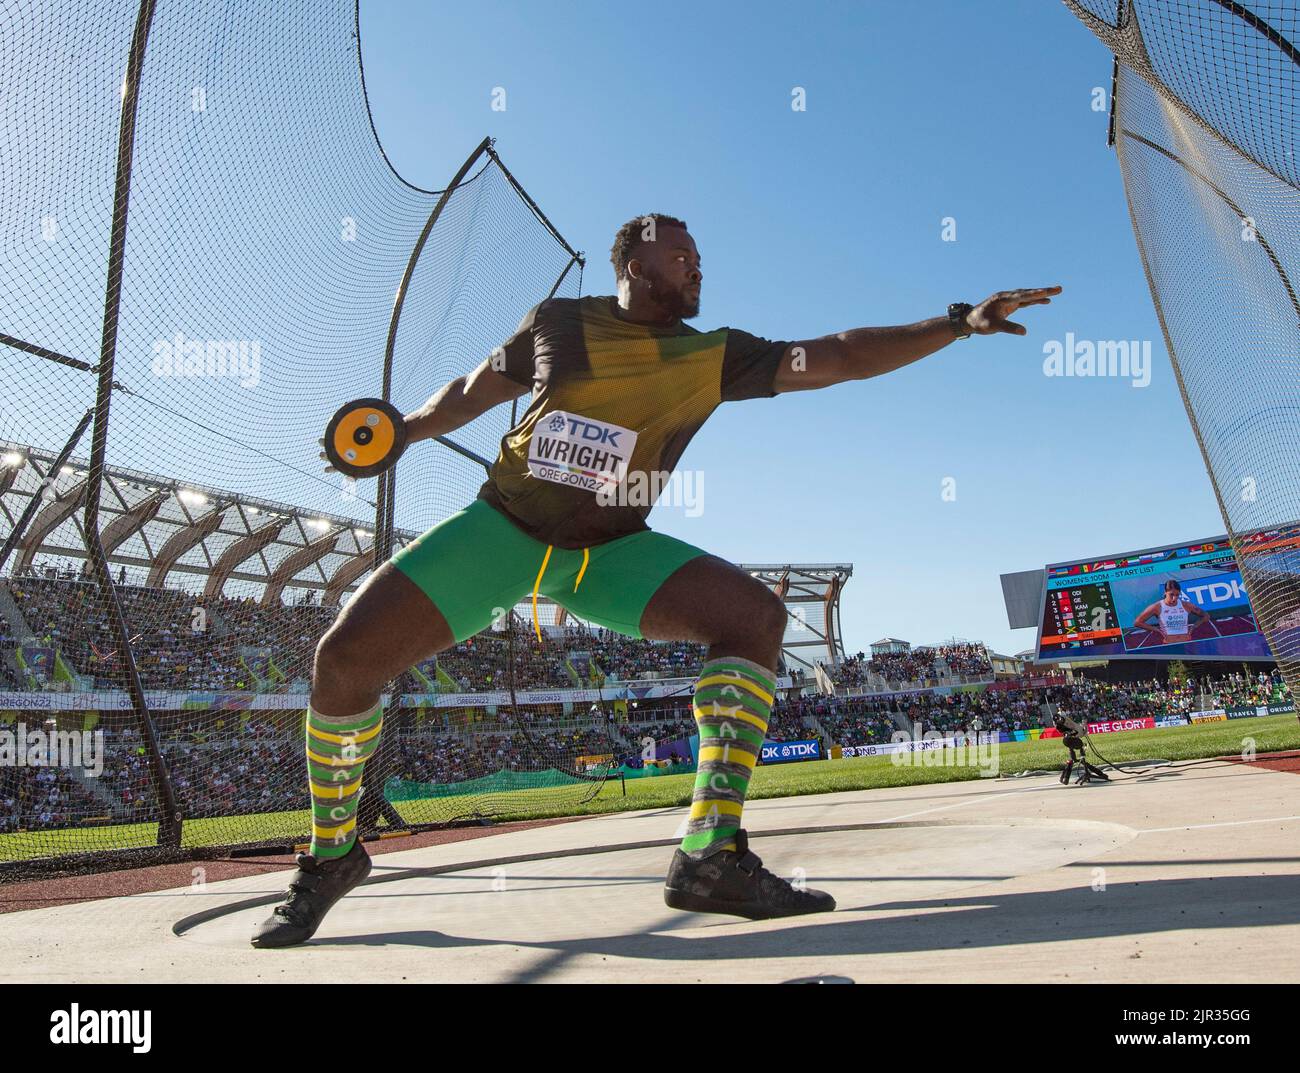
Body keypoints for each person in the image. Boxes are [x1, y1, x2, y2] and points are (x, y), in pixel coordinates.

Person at [251, 212, 1059, 947]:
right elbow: (473, 389)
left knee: (755, 618)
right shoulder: (556, 322)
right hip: (501, 530)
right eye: (683, 255)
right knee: (342, 661)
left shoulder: (714, 354)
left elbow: (839, 355)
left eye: (702, 260)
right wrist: (405, 429)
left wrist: (957, 322)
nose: (698, 269)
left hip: (608, 553)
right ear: (635, 255)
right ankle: (331, 856)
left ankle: (710, 855)